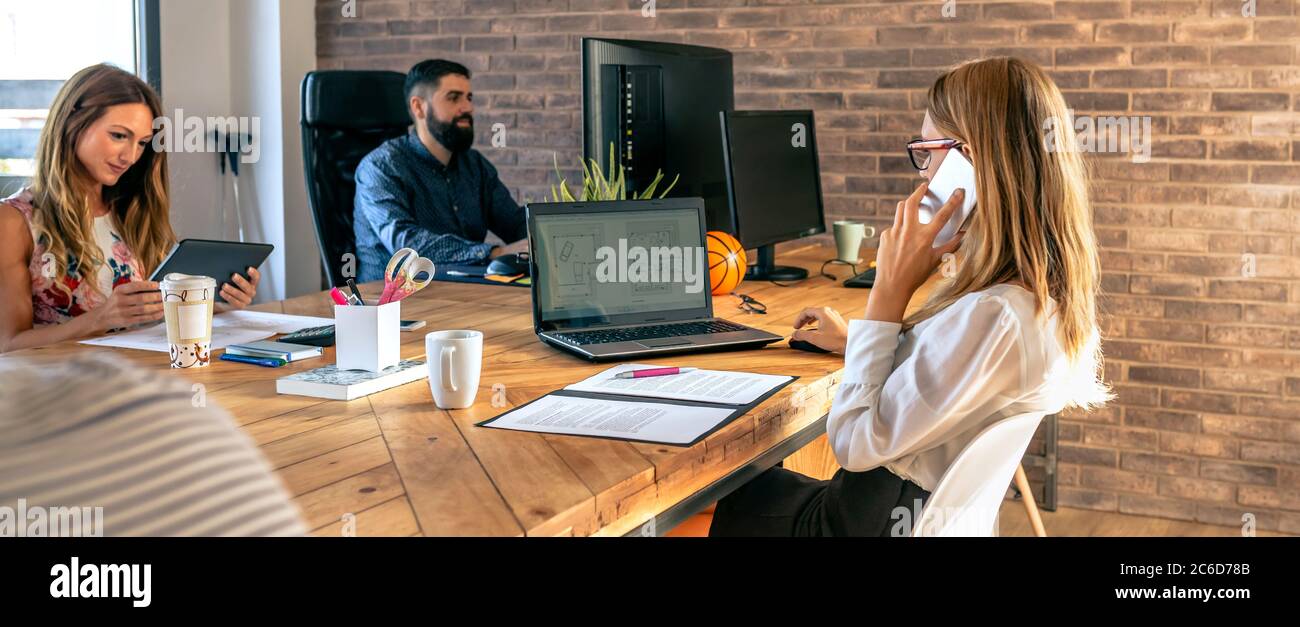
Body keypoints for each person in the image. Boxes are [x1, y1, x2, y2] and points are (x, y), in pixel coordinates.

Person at [709, 57, 1112, 537]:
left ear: (975, 157)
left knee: (716, 490)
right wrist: (865, 339)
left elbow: (853, 445)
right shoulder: (1037, 297)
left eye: (929, 151)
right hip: (906, 516)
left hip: (861, 523)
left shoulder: (995, 315)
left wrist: (888, 291)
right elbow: (944, 372)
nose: (925, 175)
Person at [0, 64, 261, 353]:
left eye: (142, 143)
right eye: (119, 136)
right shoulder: (14, 222)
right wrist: (99, 319)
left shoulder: (132, 211)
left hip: (141, 379)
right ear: (73, 122)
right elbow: (8, 344)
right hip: (63, 390)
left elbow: (153, 311)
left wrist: (218, 302)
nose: (131, 156)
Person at [352, 59, 527, 282]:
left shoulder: (474, 165)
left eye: (469, 98)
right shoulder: (380, 168)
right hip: (392, 304)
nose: (468, 108)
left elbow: (515, 222)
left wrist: (546, 239)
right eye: (454, 98)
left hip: (463, 293)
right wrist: (495, 254)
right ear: (419, 107)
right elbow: (407, 246)